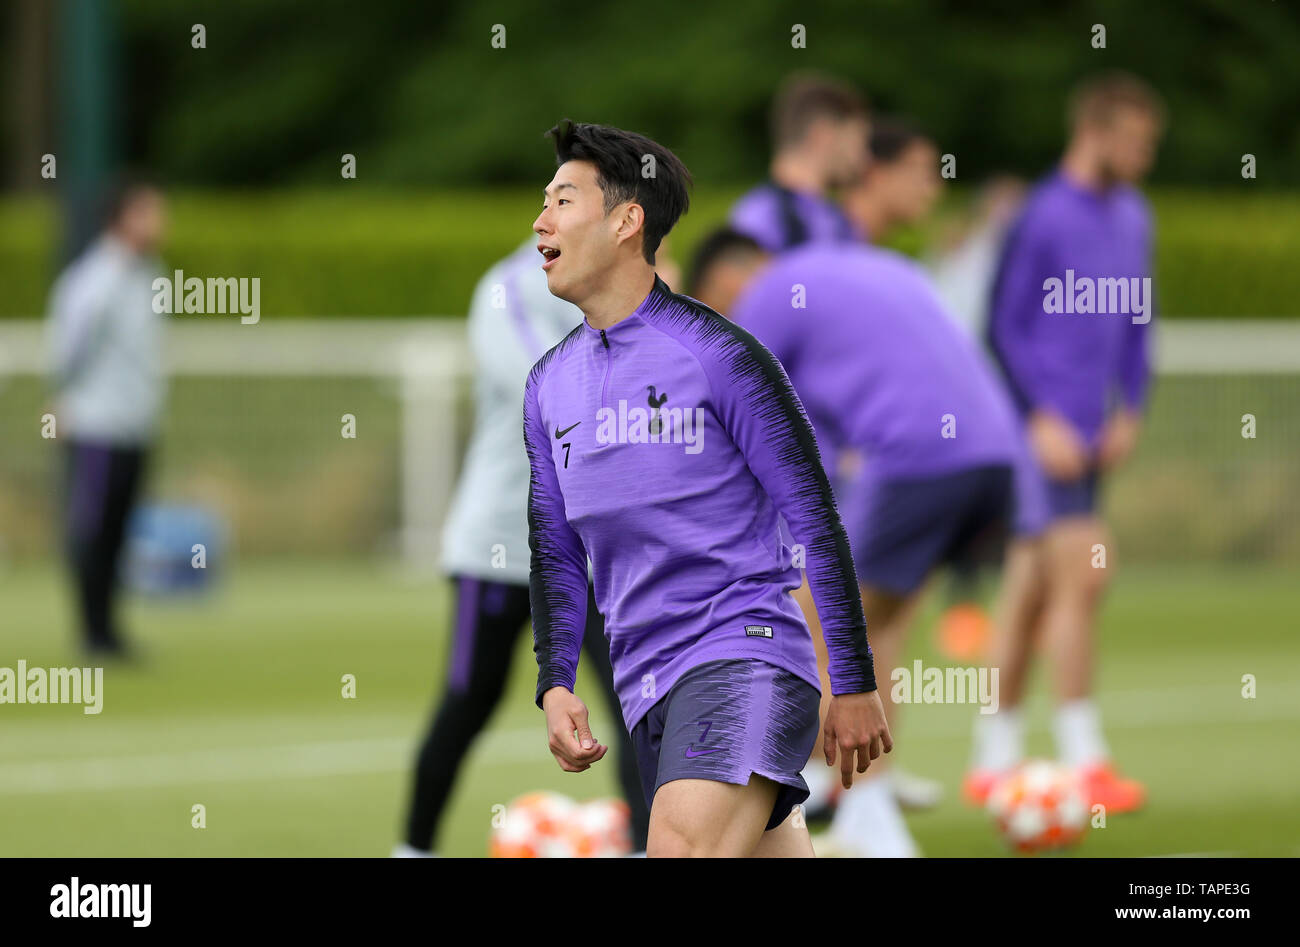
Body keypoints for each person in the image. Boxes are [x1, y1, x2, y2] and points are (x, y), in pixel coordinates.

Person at [526, 120, 889, 857]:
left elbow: (817, 518)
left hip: (745, 656)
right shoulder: (546, 385)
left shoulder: (722, 354)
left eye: (563, 201)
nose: (540, 221)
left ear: (628, 220)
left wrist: (850, 679)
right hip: (647, 689)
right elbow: (556, 548)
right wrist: (555, 681)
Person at [729, 224, 1029, 856]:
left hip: (919, 458)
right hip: (998, 454)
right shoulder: (880, 269)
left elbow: (735, 413)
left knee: (820, 622)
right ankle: (832, 781)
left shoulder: (763, 294)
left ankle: (868, 811)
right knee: (873, 629)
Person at [395, 236, 655, 856]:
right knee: (468, 701)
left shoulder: (626, 291)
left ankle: (650, 848)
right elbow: (543, 389)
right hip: (502, 547)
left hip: (593, 552)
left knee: (636, 711)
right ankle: (413, 849)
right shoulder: (506, 288)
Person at [967, 72, 1166, 814]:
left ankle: (993, 753)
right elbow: (1000, 325)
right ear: (1097, 131)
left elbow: (1140, 321)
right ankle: (1087, 757)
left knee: (1029, 590)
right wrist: (1036, 417)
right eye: (1138, 141)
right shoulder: (1042, 214)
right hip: (1037, 438)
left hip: (1094, 439)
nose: (1146, 156)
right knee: (1086, 571)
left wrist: (1132, 408)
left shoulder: (1135, 215)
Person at [46, 177, 168, 658]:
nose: (161, 223)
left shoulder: (148, 275)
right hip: (96, 425)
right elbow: (70, 347)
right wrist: (64, 398)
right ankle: (91, 631)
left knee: (119, 531)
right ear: (124, 218)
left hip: (136, 424)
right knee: (93, 528)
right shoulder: (94, 279)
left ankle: (110, 630)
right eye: (151, 212)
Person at [729, 73, 868, 252]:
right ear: (823, 134)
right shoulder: (761, 218)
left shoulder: (839, 220)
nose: (863, 156)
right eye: (857, 140)